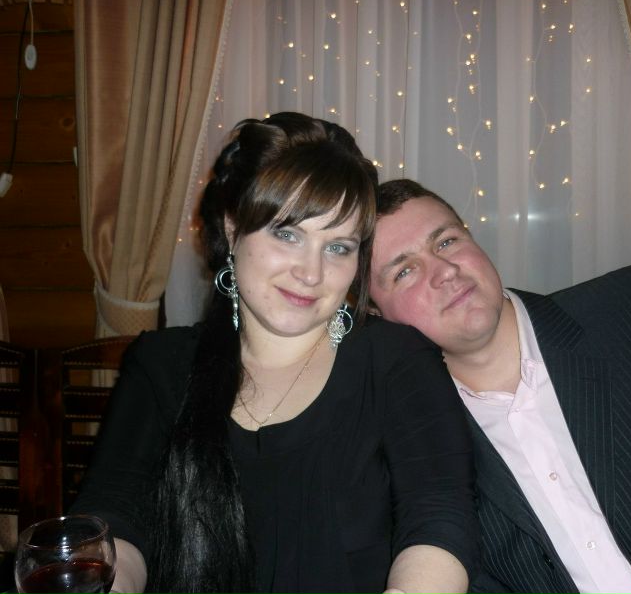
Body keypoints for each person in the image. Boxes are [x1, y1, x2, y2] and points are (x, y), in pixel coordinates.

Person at [71, 117, 478, 594]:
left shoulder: (396, 358)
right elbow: (115, 516)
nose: (311, 272)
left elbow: (439, 513)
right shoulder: (162, 364)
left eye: (338, 247)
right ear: (232, 228)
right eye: (288, 234)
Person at [367, 178, 631, 594]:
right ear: (376, 315)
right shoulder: (412, 445)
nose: (444, 271)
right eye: (404, 271)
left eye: (446, 242)